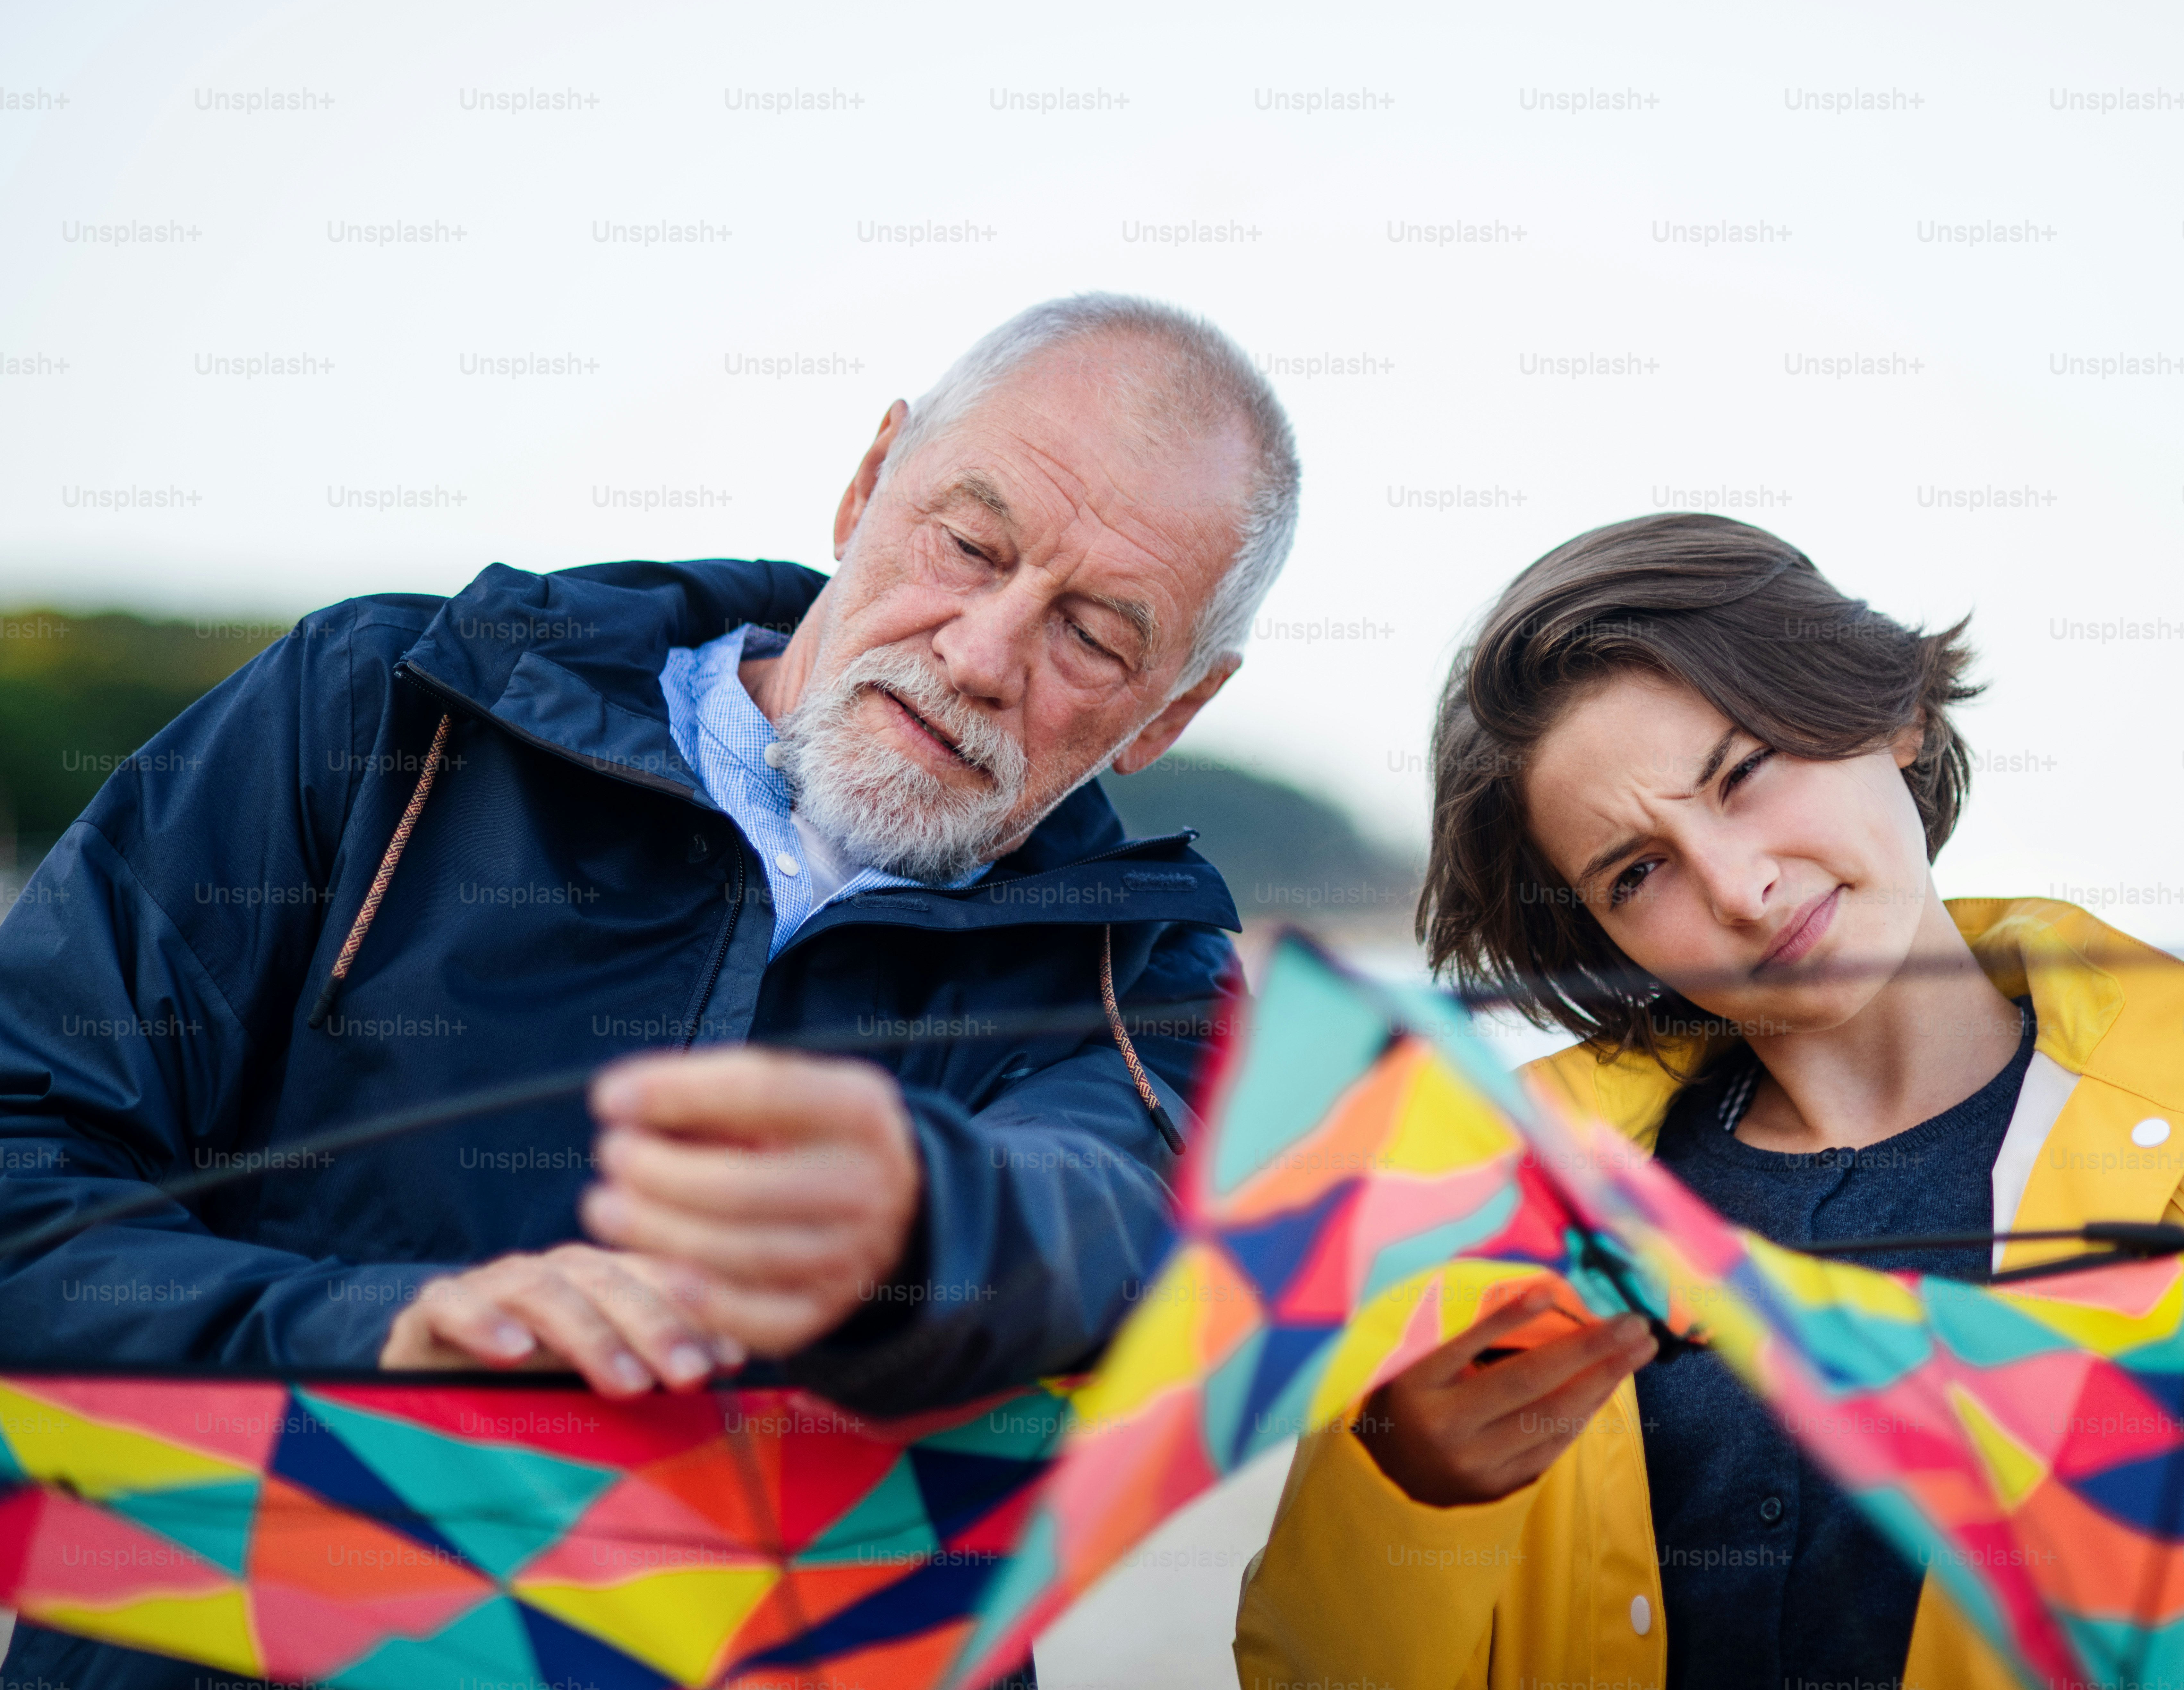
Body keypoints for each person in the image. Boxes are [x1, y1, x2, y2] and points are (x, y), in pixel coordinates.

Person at [0, 293, 1296, 1690]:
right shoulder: (379, 705)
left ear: (1170, 713)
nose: (981, 652)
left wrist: (917, 1210)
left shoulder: (1154, 978)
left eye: (1095, 636)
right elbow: (28, 1155)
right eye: (970, 544)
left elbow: (1112, 1248)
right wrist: (379, 1336)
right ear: (868, 483)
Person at [1234, 513, 2184, 1690]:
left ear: (1898, 713)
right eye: (1637, 872)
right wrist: (1402, 1486)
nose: (1742, 887)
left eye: (1744, 774)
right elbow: (1314, 1674)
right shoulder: (1495, 1211)